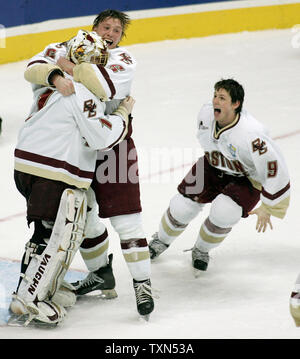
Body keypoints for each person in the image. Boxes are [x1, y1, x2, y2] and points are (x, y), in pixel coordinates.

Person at [23, 10, 154, 319]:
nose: (110, 33)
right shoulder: (67, 45)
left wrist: (66, 66)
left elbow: (102, 88)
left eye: (117, 30)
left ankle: (142, 283)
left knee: (127, 221)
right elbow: (33, 67)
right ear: (94, 28)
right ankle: (101, 274)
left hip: (114, 146)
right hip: (74, 150)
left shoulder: (124, 60)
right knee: (83, 219)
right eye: (106, 27)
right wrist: (59, 70)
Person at [149, 79, 290, 273]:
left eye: (222, 98)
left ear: (236, 104)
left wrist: (269, 206)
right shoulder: (205, 114)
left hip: (246, 180)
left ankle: (201, 250)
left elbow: (274, 167)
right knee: (181, 207)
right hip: (212, 167)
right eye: (215, 95)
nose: (216, 101)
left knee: (225, 212)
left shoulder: (252, 134)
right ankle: (160, 241)